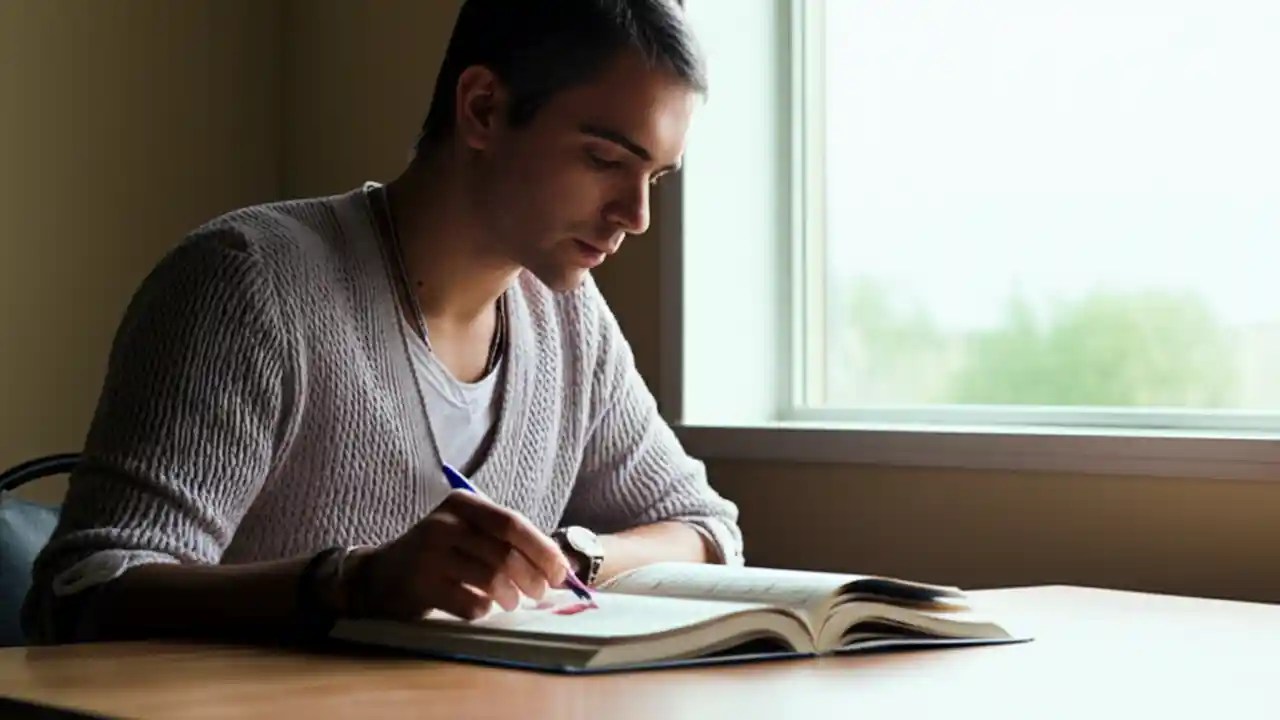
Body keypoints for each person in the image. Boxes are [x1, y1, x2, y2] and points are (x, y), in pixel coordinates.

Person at [22, 0, 742, 644]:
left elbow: (708, 532)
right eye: (604, 159)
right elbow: (82, 592)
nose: (636, 216)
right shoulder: (250, 283)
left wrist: (569, 557)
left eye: (655, 177)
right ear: (483, 109)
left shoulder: (568, 320)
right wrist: (351, 584)